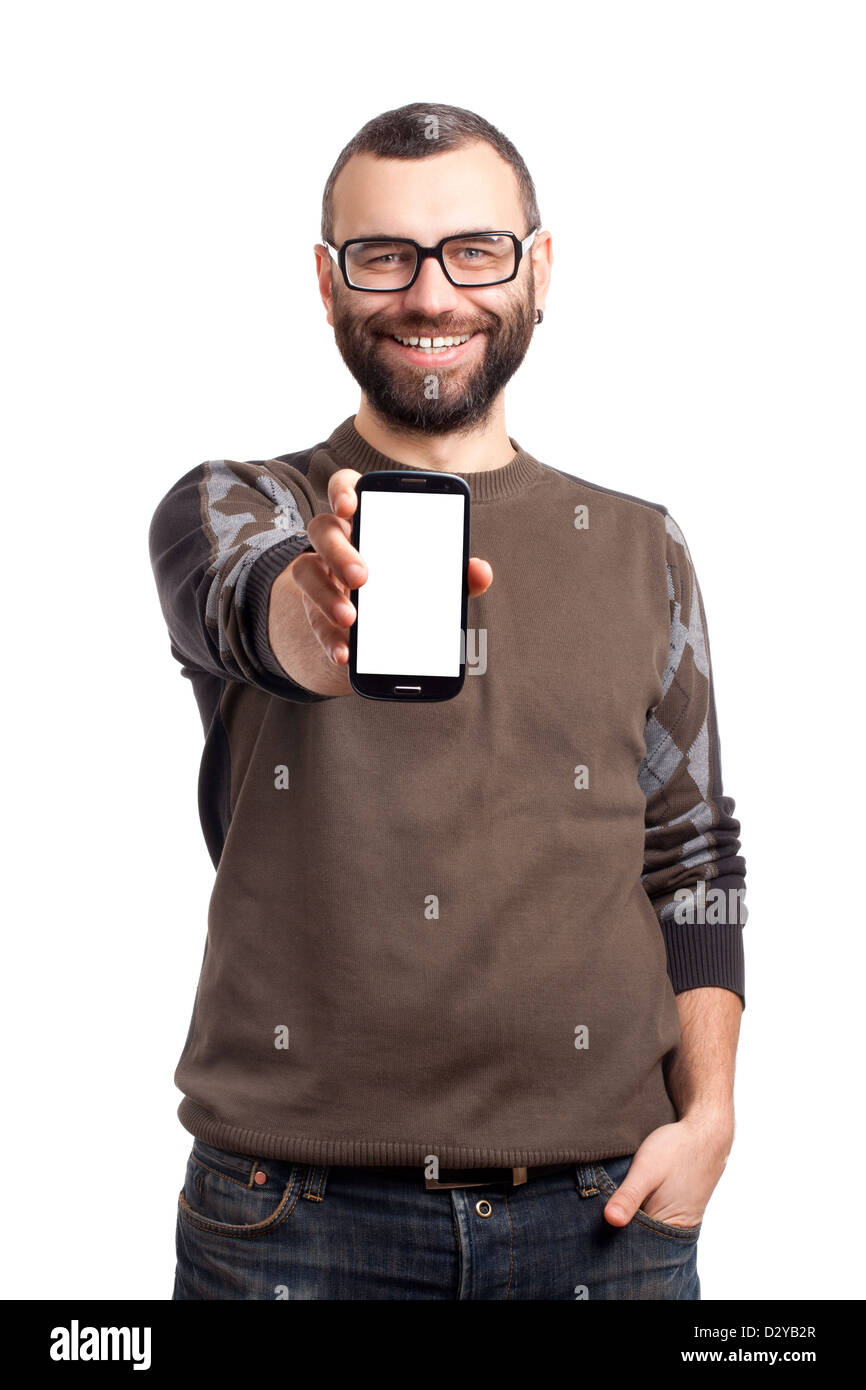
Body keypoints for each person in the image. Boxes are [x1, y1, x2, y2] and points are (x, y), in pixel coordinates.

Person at [149, 102, 747, 1301]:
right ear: (327, 281)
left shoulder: (640, 546)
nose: (431, 297)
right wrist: (314, 618)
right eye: (384, 256)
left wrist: (712, 1117)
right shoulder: (233, 505)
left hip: (606, 1216)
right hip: (291, 1224)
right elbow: (252, 603)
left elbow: (689, 854)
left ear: (536, 270)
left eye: (473, 251)